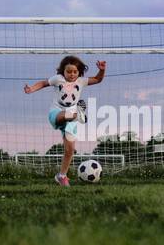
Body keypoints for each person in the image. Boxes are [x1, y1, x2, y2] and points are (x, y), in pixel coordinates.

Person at [23, 55, 106, 185]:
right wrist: (31, 89)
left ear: (79, 72)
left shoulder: (81, 81)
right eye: (69, 71)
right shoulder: (58, 79)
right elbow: (44, 83)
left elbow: (97, 79)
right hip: (56, 114)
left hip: (72, 119)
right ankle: (77, 114)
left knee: (70, 150)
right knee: (65, 115)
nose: (72, 74)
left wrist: (101, 70)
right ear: (63, 71)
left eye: (75, 72)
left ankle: (61, 176)